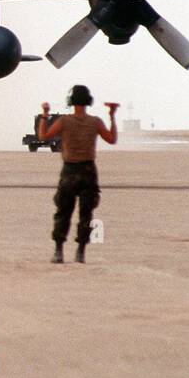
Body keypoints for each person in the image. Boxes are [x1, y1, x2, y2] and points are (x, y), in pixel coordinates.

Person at [37, 85, 117, 264]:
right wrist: (112, 116)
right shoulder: (96, 122)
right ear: (88, 101)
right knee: (86, 213)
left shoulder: (64, 122)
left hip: (69, 171)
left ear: (71, 101)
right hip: (88, 171)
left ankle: (58, 251)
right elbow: (112, 139)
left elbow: (43, 136)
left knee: (63, 212)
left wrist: (45, 113)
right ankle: (80, 252)